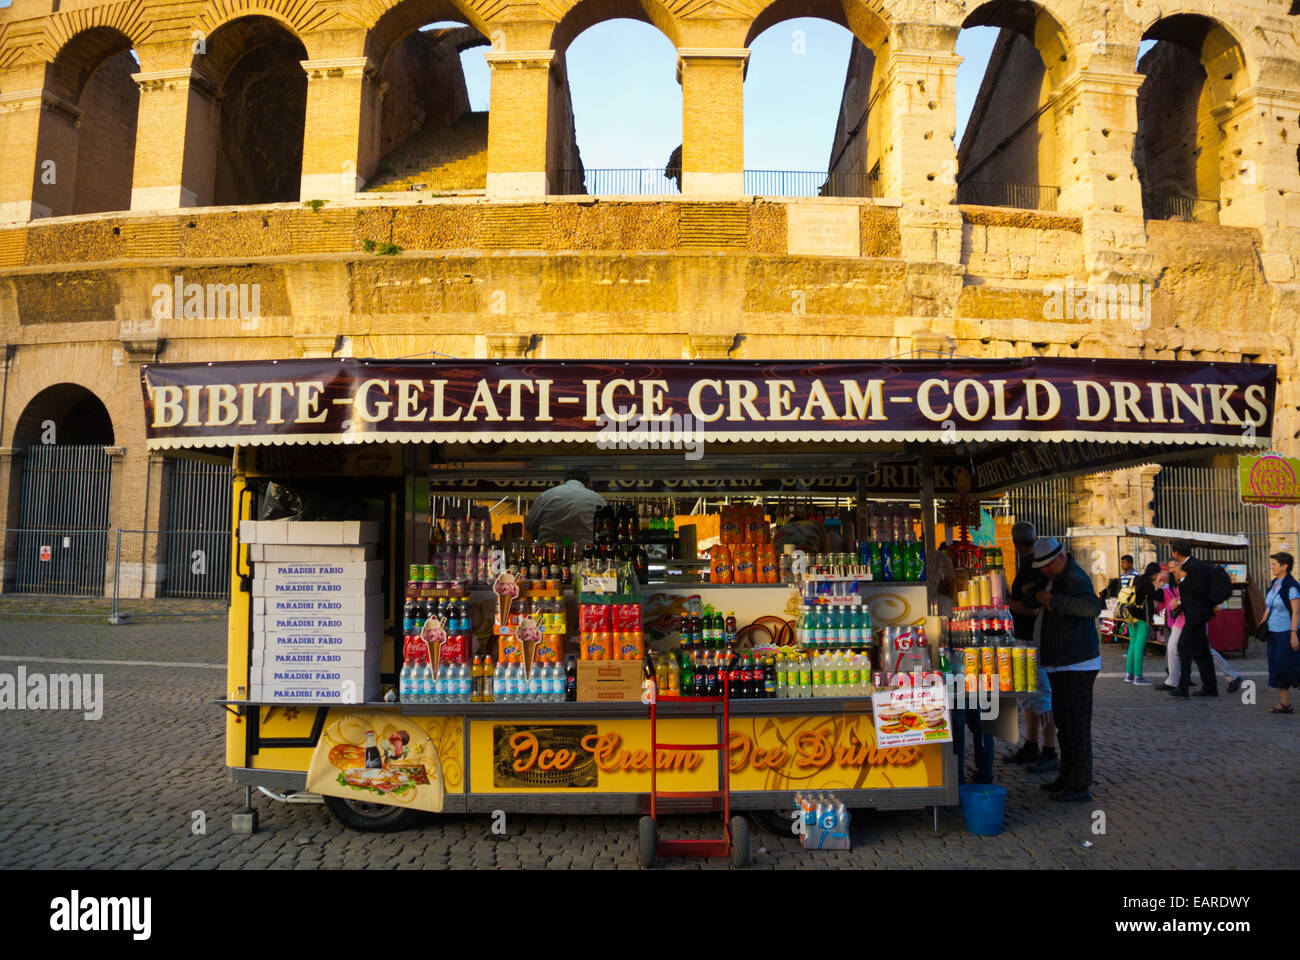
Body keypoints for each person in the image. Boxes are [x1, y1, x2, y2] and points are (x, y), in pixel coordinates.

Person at [1025, 537, 1101, 802]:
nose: (1044, 571)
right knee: (1066, 727)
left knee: (1076, 727)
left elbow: (1091, 606)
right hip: (1061, 663)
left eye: (1047, 566)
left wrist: (1053, 601)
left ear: (1060, 559)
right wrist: (1039, 595)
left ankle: (1080, 784)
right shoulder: (1053, 577)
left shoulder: (1075, 578)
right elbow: (1031, 596)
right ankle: (1067, 777)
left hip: (1077, 663)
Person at [1003, 521, 1059, 772]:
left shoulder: (1029, 568)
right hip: (1026, 639)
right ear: (1034, 538)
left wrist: (1009, 603)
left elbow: (1033, 607)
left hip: (1032, 641)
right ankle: (1032, 744)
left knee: (1040, 694)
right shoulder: (1029, 566)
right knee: (1027, 694)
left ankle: (1048, 749)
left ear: (1014, 544)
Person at [1157, 560, 1242, 693]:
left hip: (1193, 619)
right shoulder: (1176, 581)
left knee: (1204, 651)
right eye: (1169, 568)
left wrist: (1178, 602)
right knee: (1174, 648)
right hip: (1182, 620)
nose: (1170, 570)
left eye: (1172, 567)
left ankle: (1231, 676)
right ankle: (1174, 681)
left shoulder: (1191, 579)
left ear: (1180, 567)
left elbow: (1194, 596)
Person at [1167, 540, 1218, 698]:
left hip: (1196, 615)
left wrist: (1182, 580)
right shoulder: (1190, 566)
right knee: (1202, 652)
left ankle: (1183, 687)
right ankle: (1210, 687)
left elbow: (1198, 590)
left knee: (1183, 647)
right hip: (1195, 614)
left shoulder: (1194, 567)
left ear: (1176, 552)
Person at [524, 469, 606, 546]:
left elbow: (529, 527)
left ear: (565, 481)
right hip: (585, 554)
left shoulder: (546, 495)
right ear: (588, 484)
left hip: (549, 553)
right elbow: (605, 531)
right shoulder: (597, 499)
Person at [1262, 551, 1300, 714]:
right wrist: (1261, 625)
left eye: (1274, 564)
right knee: (1276, 666)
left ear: (1285, 566)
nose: (1271, 567)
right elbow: (1268, 607)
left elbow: (1296, 612)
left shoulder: (1291, 586)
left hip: (1286, 632)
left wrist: (1293, 634)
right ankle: (1285, 704)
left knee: (1290, 666)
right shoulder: (1274, 583)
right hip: (1273, 632)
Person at [1123, 562, 1161, 685]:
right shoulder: (1148, 584)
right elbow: (1158, 597)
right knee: (1139, 647)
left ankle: (1129, 675)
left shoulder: (1137, 578)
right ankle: (1138, 677)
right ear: (1155, 573)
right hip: (1143, 618)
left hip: (1131, 616)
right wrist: (1158, 586)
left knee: (1132, 646)